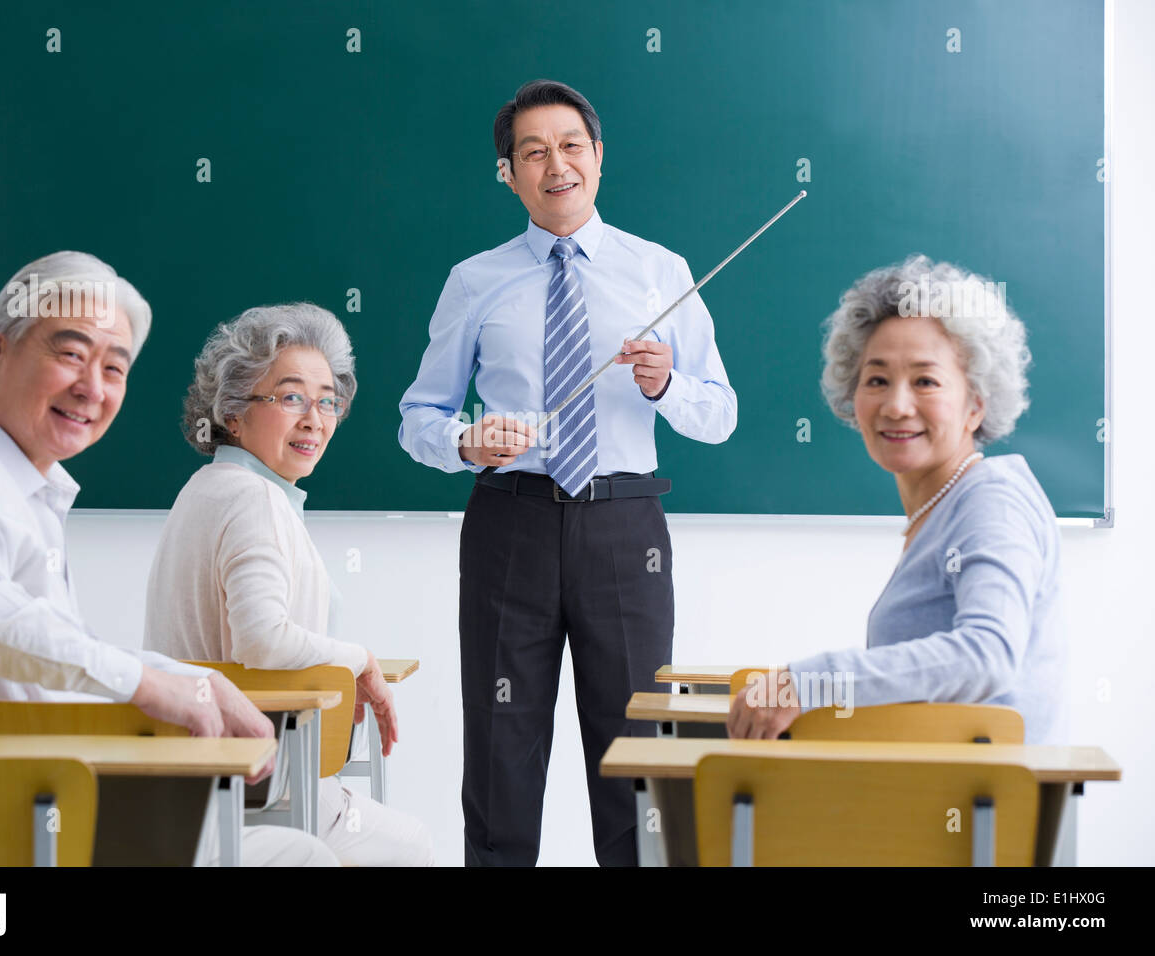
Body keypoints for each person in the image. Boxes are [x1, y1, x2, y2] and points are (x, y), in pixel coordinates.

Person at [0, 251, 336, 866]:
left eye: (114, 366)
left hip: (28, 806)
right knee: (301, 857)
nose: (93, 386)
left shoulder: (20, 488)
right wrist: (147, 683)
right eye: (71, 354)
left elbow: (48, 647)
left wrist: (199, 680)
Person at [398, 79, 738, 865]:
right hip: (508, 524)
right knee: (499, 748)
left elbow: (719, 415)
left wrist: (663, 384)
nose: (557, 164)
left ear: (598, 157)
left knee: (634, 753)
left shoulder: (660, 271)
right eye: (533, 152)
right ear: (509, 173)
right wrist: (463, 443)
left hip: (624, 531)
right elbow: (419, 416)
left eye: (571, 146)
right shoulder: (474, 280)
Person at [727, 255, 1068, 745]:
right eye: (877, 379)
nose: (896, 406)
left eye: (925, 381)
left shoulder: (993, 502)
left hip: (986, 811)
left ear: (976, 403)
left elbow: (987, 654)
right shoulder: (942, 511)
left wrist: (811, 681)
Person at [143, 303, 434, 866]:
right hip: (255, 782)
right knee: (412, 845)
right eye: (291, 397)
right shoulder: (253, 499)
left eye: (327, 400)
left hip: (201, 780)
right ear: (232, 411)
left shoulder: (206, 489)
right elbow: (262, 639)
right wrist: (359, 659)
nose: (315, 419)